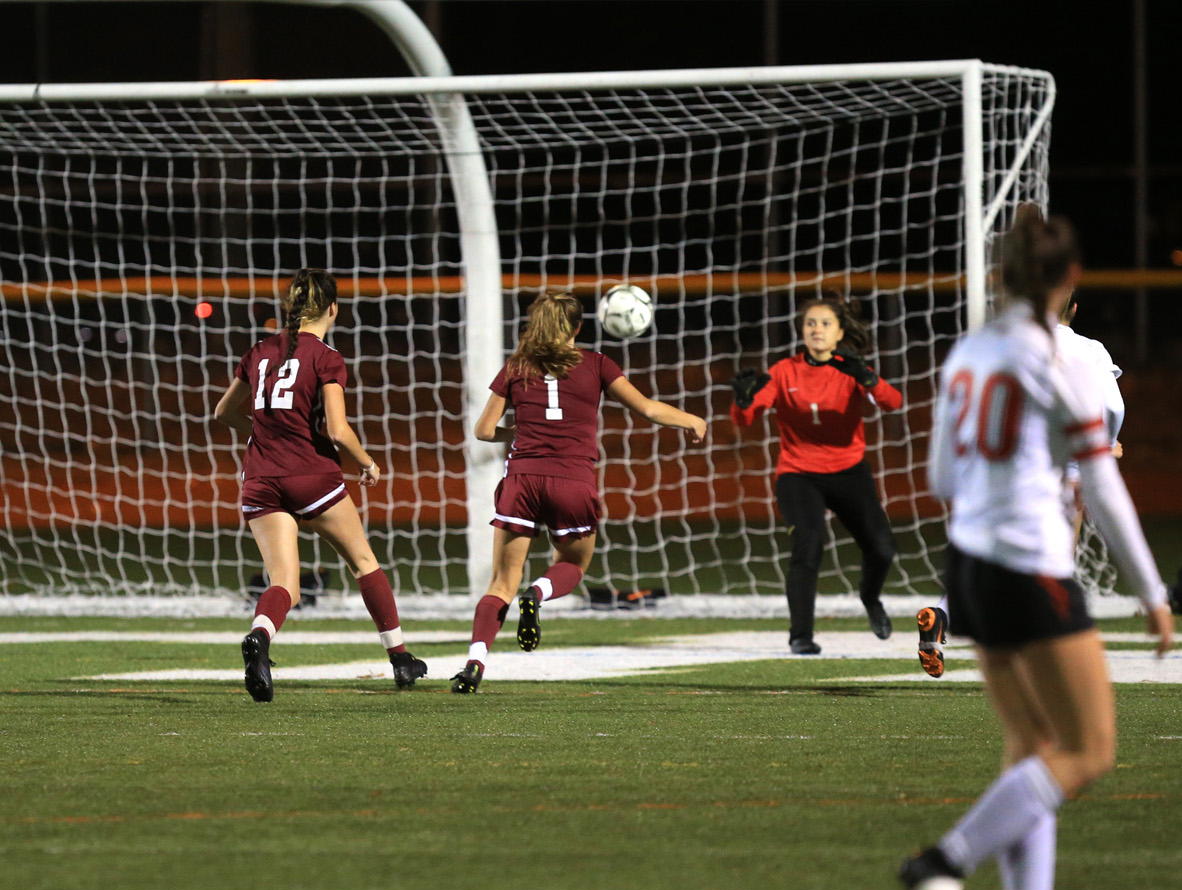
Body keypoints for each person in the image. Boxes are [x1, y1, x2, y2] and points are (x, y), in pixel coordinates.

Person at [897, 207, 1175, 890]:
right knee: (1087, 751)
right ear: (1071, 280)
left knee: (1032, 748)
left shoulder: (966, 353)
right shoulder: (1070, 357)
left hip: (969, 566)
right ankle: (946, 860)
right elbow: (1102, 480)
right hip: (1031, 566)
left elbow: (940, 475)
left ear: (1000, 278)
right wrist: (1152, 591)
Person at [450, 290, 707, 695]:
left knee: (500, 582)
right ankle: (537, 593)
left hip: (522, 480)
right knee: (571, 564)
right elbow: (648, 409)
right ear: (578, 327)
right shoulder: (598, 364)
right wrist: (691, 419)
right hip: (573, 480)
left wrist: (514, 431)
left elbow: (483, 431)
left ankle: (474, 663)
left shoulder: (516, 366)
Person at [213, 268, 427, 703]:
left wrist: (262, 432)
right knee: (364, 561)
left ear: (288, 308)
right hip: (311, 477)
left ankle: (260, 634)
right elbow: (337, 430)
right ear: (333, 308)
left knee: (286, 583)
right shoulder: (326, 356)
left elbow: (223, 413)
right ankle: (401, 658)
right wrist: (367, 463)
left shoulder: (258, 351)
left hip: (260, 478)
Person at [916, 297, 1127, 678]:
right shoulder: (1088, 349)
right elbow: (1113, 406)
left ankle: (944, 613)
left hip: (1009, 468)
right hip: (1066, 466)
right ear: (1074, 307)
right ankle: (1041, 656)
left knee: (996, 559)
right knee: (1055, 564)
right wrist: (1107, 443)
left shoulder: (994, 347)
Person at [729, 295, 903, 654]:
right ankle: (801, 637)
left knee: (883, 548)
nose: (817, 330)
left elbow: (892, 403)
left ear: (839, 332)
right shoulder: (783, 371)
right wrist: (742, 402)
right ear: (801, 331)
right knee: (809, 544)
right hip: (798, 473)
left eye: (825, 323)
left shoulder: (851, 369)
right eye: (810, 323)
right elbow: (745, 420)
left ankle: (870, 599)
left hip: (849, 471)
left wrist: (868, 378)